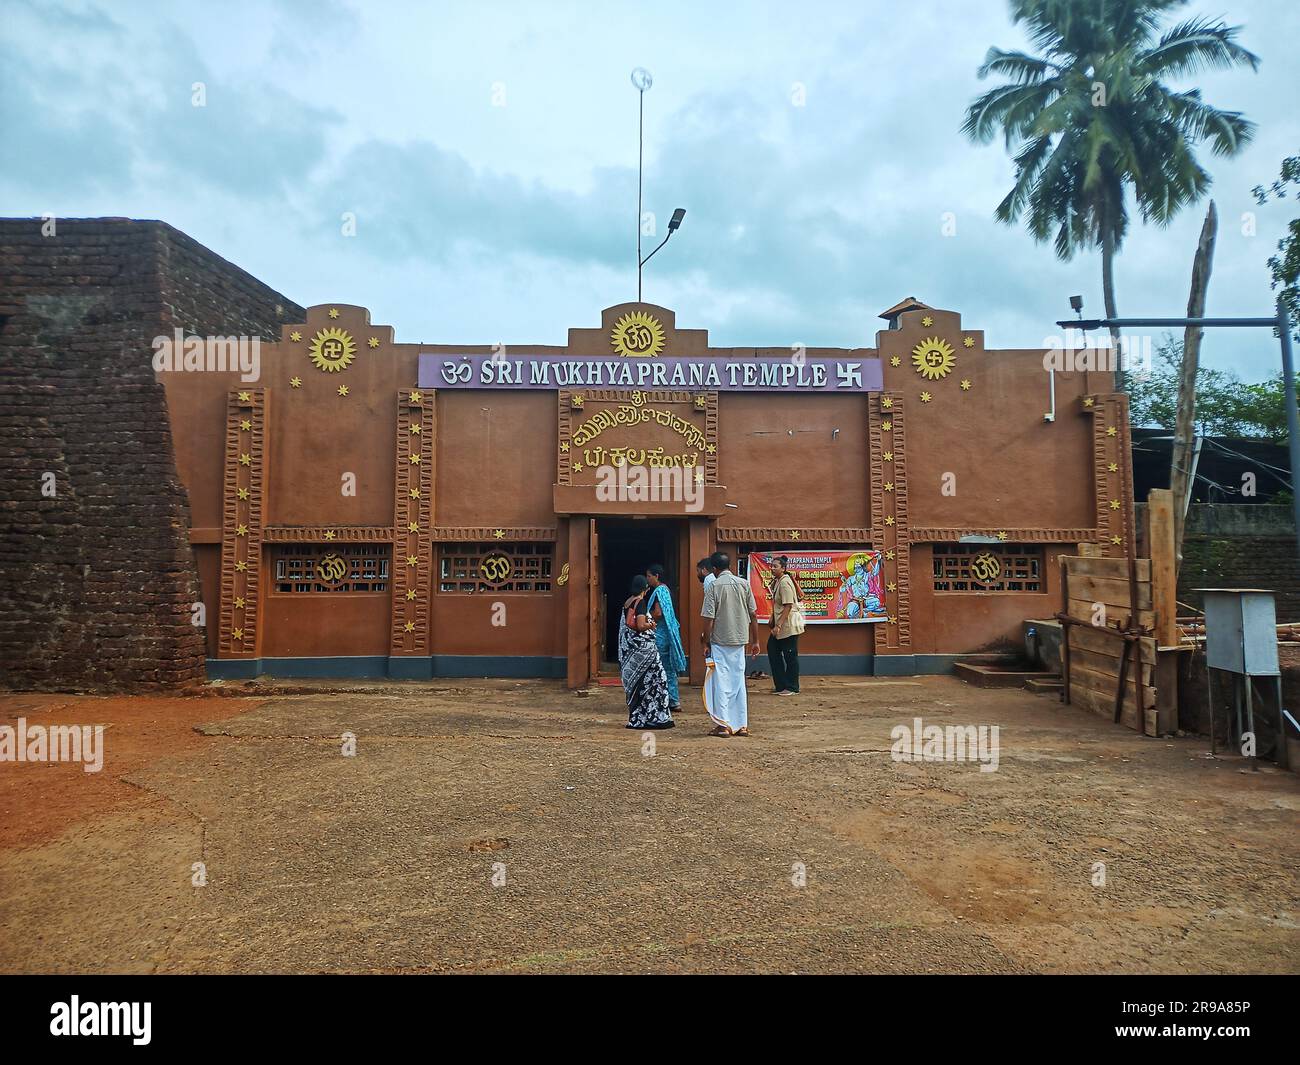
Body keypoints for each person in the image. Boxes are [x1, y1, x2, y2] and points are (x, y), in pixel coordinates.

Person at [700, 551, 759, 737]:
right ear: (730, 567)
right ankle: (742, 725)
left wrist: (705, 641)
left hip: (720, 640)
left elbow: (708, 618)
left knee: (720, 682)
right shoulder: (744, 584)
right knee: (738, 681)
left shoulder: (714, 587)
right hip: (740, 641)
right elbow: (753, 615)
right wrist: (756, 640)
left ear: (715, 569)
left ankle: (723, 725)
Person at [619, 575, 674, 730]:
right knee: (658, 681)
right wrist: (651, 625)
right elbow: (640, 625)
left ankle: (638, 718)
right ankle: (656, 717)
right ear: (646, 589)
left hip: (632, 651)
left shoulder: (628, 602)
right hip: (645, 652)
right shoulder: (640, 602)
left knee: (640, 684)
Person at [645, 564, 686, 713]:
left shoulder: (660, 591)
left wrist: (645, 617)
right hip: (667, 635)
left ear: (656, 576)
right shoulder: (665, 590)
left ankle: (665, 700)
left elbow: (658, 613)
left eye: (649, 576)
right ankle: (673, 700)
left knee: (660, 668)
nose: (647, 579)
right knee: (668, 669)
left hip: (660, 636)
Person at [766, 555, 802, 695]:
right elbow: (778, 605)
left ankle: (792, 687)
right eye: (772, 566)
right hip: (781, 625)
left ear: (783, 568)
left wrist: (778, 625)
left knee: (790, 656)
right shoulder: (778, 581)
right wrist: (772, 619)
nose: (772, 568)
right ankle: (781, 685)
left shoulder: (785, 582)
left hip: (789, 626)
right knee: (773, 649)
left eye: (775, 566)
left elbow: (788, 606)